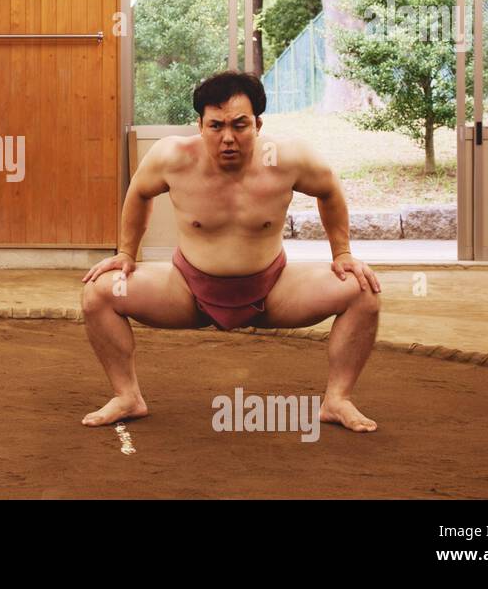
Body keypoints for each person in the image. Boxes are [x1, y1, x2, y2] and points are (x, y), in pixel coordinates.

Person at [80, 71, 381, 432]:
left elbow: (329, 190)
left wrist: (342, 253)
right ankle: (127, 395)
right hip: (185, 290)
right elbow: (140, 192)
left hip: (274, 290)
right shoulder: (172, 156)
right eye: (215, 126)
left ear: (258, 123)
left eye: (240, 125)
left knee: (363, 291)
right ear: (199, 124)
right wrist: (127, 253)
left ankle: (338, 399)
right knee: (98, 292)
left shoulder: (289, 158)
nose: (228, 138)